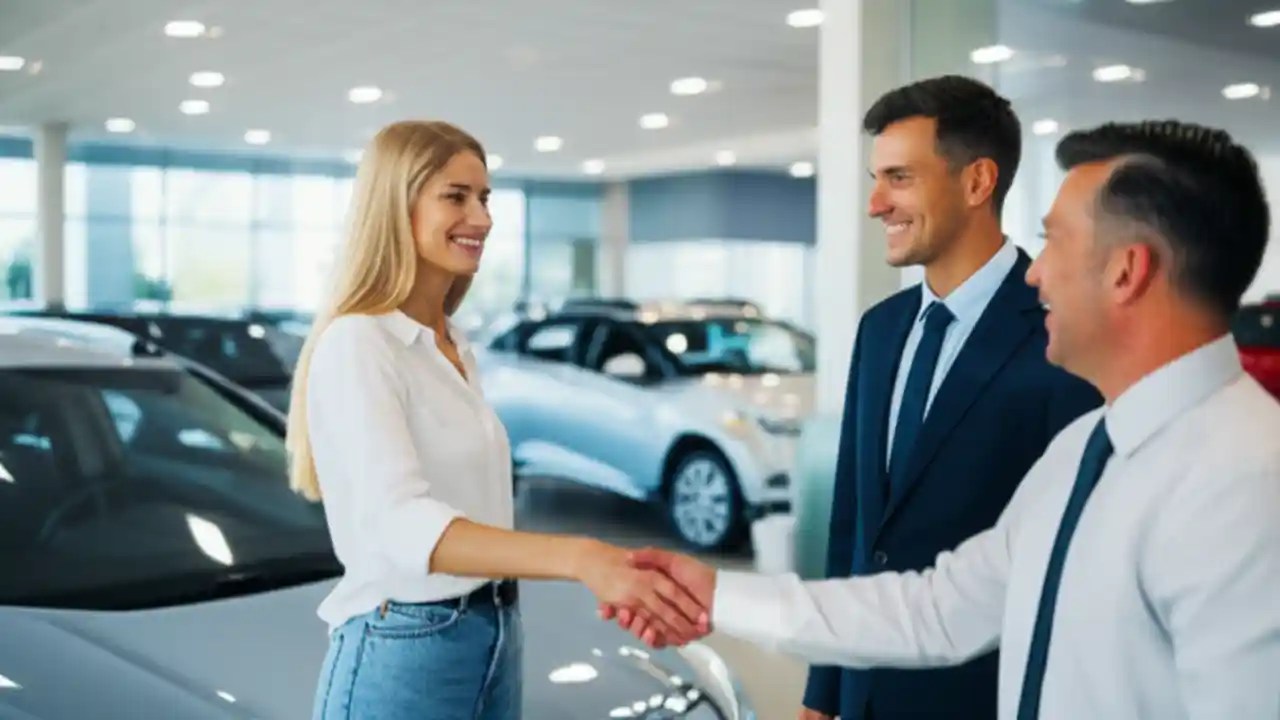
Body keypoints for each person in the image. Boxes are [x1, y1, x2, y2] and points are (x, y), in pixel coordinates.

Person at [607, 119, 1280, 719]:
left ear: (1127, 271)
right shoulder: (1085, 450)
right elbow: (936, 609)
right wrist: (717, 595)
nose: (1035, 273)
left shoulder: (1249, 481)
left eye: (1054, 244)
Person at [287, 120, 706, 720]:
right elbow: (402, 525)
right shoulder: (360, 343)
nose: (481, 219)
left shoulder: (451, 342)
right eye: (455, 197)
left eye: (485, 198)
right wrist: (581, 557)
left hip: (492, 627)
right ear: (395, 204)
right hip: (403, 644)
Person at [827, 74, 1105, 720]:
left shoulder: (1062, 336)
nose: (875, 204)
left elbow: (1076, 566)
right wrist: (827, 688)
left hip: (984, 699)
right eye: (876, 178)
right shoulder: (880, 330)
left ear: (978, 182)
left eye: (899, 178)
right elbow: (852, 526)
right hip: (866, 692)